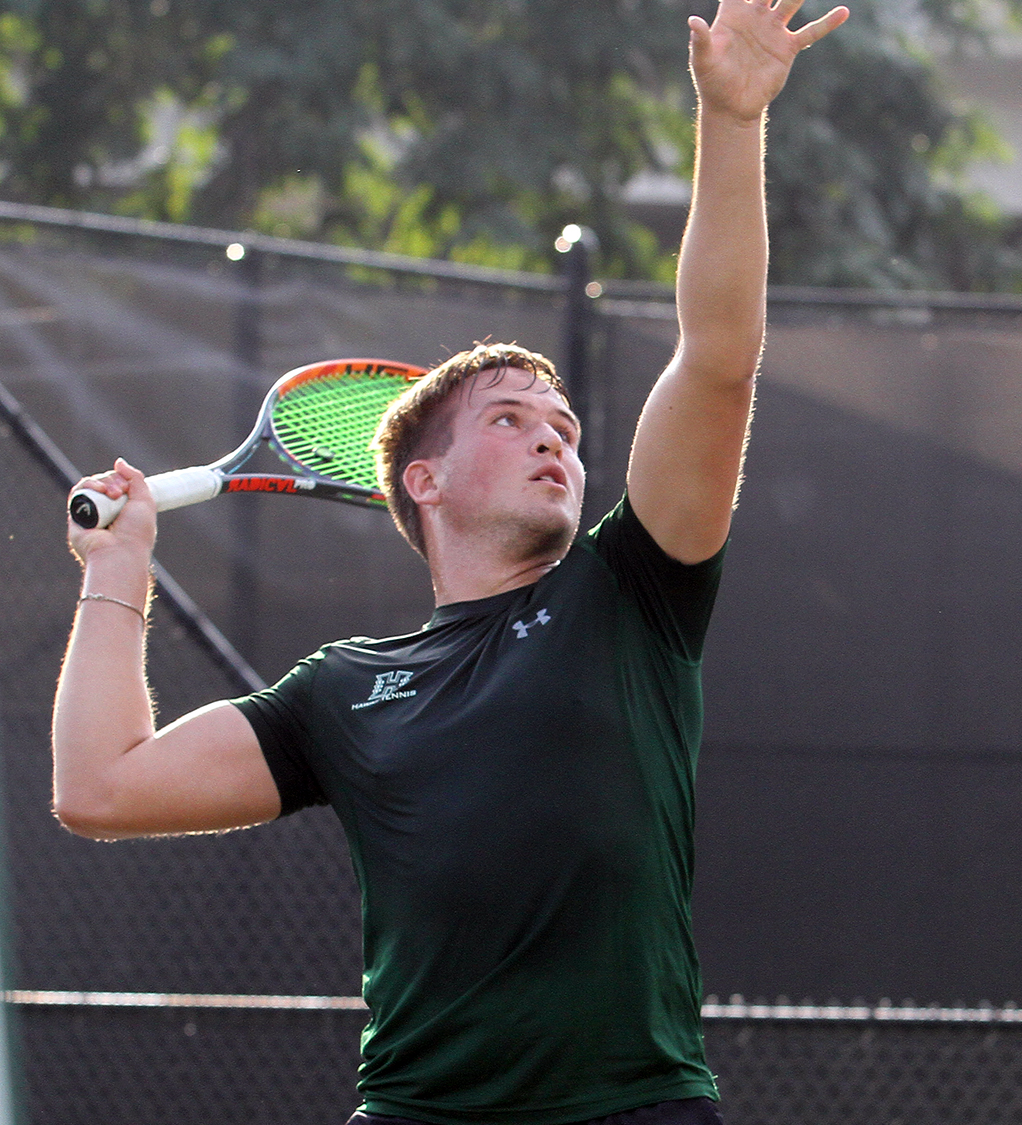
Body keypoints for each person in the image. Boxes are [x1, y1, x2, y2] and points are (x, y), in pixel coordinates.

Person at [50, 1, 847, 1122]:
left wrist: (732, 120)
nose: (554, 441)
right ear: (422, 483)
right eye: (511, 420)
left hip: (636, 1107)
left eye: (565, 428)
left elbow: (717, 356)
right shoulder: (341, 691)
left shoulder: (632, 592)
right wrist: (117, 566)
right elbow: (98, 788)